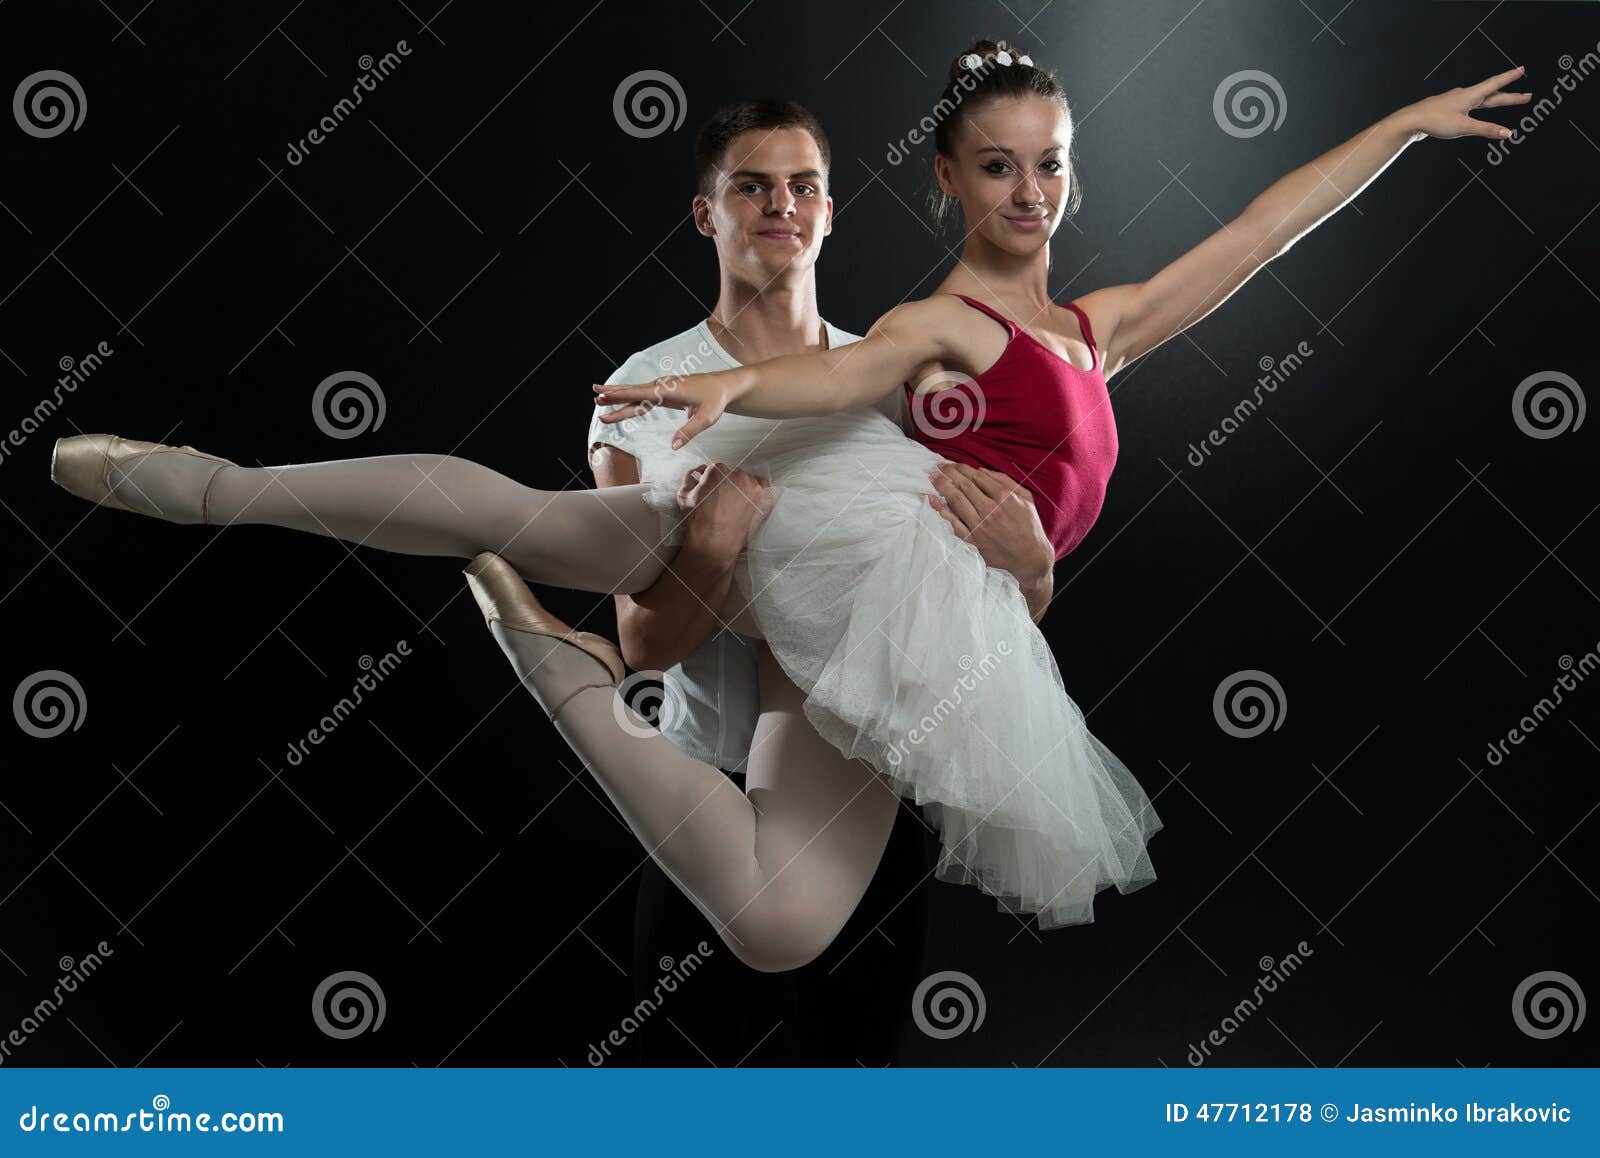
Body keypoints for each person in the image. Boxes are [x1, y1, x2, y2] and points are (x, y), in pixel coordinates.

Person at [49, 40, 1525, 971]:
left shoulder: (1100, 329)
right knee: (557, 522)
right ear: (947, 179)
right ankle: (218, 488)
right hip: (852, 537)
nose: (1030, 192)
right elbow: (848, 378)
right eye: (998, 167)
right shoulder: (938, 321)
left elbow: (1259, 233)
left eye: (1051, 167)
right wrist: (728, 394)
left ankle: (533, 646)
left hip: (915, 625)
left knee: (778, 931)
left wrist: (1402, 124)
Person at [594, 98, 1051, 1064]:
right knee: (680, 1082)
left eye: (803, 186)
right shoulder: (643, 392)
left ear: (831, 212)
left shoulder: (902, 385)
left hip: (870, 793)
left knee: (851, 1083)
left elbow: (978, 616)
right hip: (708, 789)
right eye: (751, 187)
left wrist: (1034, 568)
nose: (781, 206)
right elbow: (643, 644)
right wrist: (712, 546)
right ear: (705, 213)